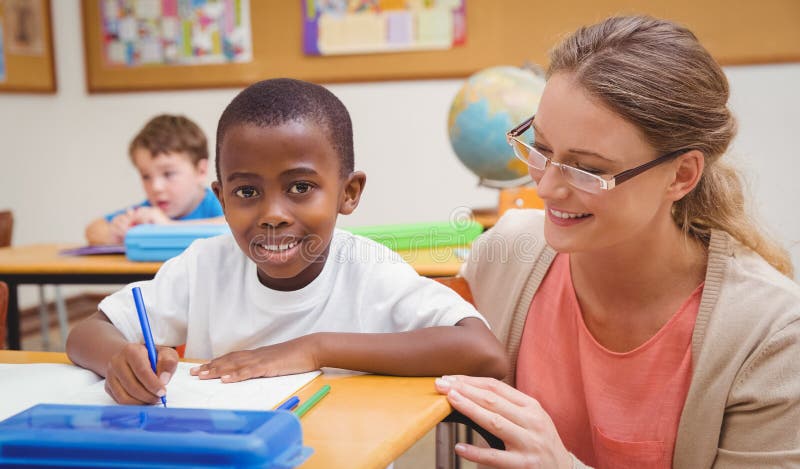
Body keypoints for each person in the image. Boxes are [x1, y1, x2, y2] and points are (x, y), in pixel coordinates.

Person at [434, 15, 800, 469]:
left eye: (586, 169)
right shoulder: (504, 256)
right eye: (542, 149)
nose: (546, 188)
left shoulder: (773, 338)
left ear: (682, 175)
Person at [67, 78, 508, 405]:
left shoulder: (368, 269)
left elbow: (484, 353)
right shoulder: (205, 266)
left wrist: (314, 348)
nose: (272, 214)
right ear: (221, 198)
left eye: (300, 187)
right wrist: (119, 360)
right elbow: (85, 333)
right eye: (246, 192)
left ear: (348, 193)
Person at [84, 114, 224, 245]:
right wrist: (117, 233)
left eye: (168, 174)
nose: (156, 187)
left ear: (201, 171)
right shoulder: (147, 212)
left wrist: (168, 228)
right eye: (146, 176)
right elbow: (93, 229)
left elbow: (231, 225)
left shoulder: (217, 203)